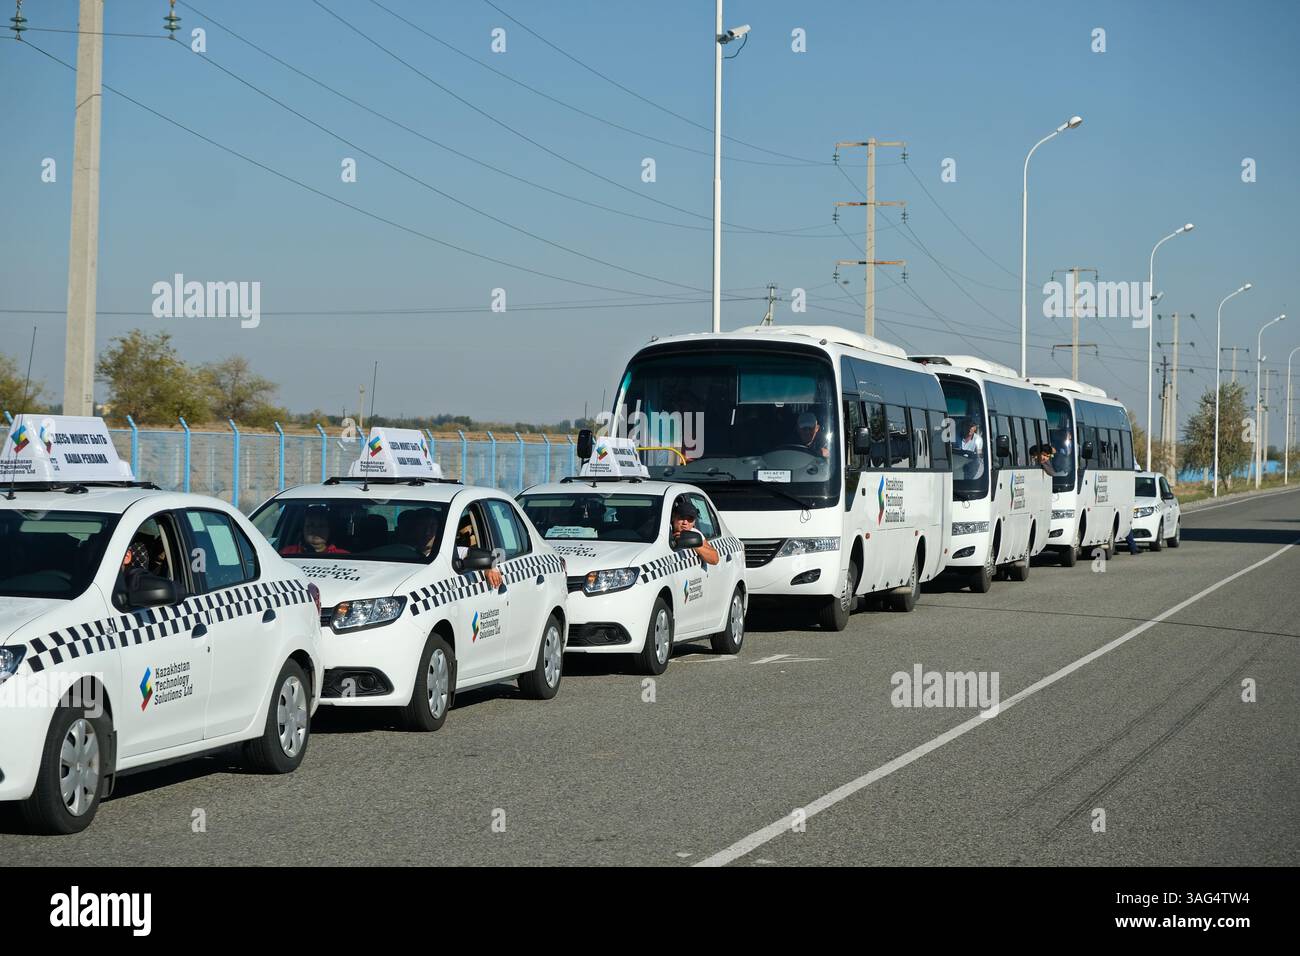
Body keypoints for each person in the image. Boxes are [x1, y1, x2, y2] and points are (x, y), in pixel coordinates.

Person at [455, 513, 504, 589]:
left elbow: (486, 559)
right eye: (458, 536)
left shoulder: (483, 556)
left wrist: (490, 566)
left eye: (467, 535)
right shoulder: (454, 553)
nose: (462, 540)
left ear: (476, 534)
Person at [281, 506, 348, 555]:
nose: (316, 530)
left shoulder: (344, 555)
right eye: (310, 525)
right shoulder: (286, 553)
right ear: (303, 529)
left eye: (321, 526)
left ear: (330, 530)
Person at [670, 499, 718, 566]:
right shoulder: (665, 529)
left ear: (694, 521)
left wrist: (693, 543)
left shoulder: (694, 532)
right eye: (681, 518)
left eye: (690, 519)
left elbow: (715, 559)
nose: (685, 523)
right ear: (673, 517)